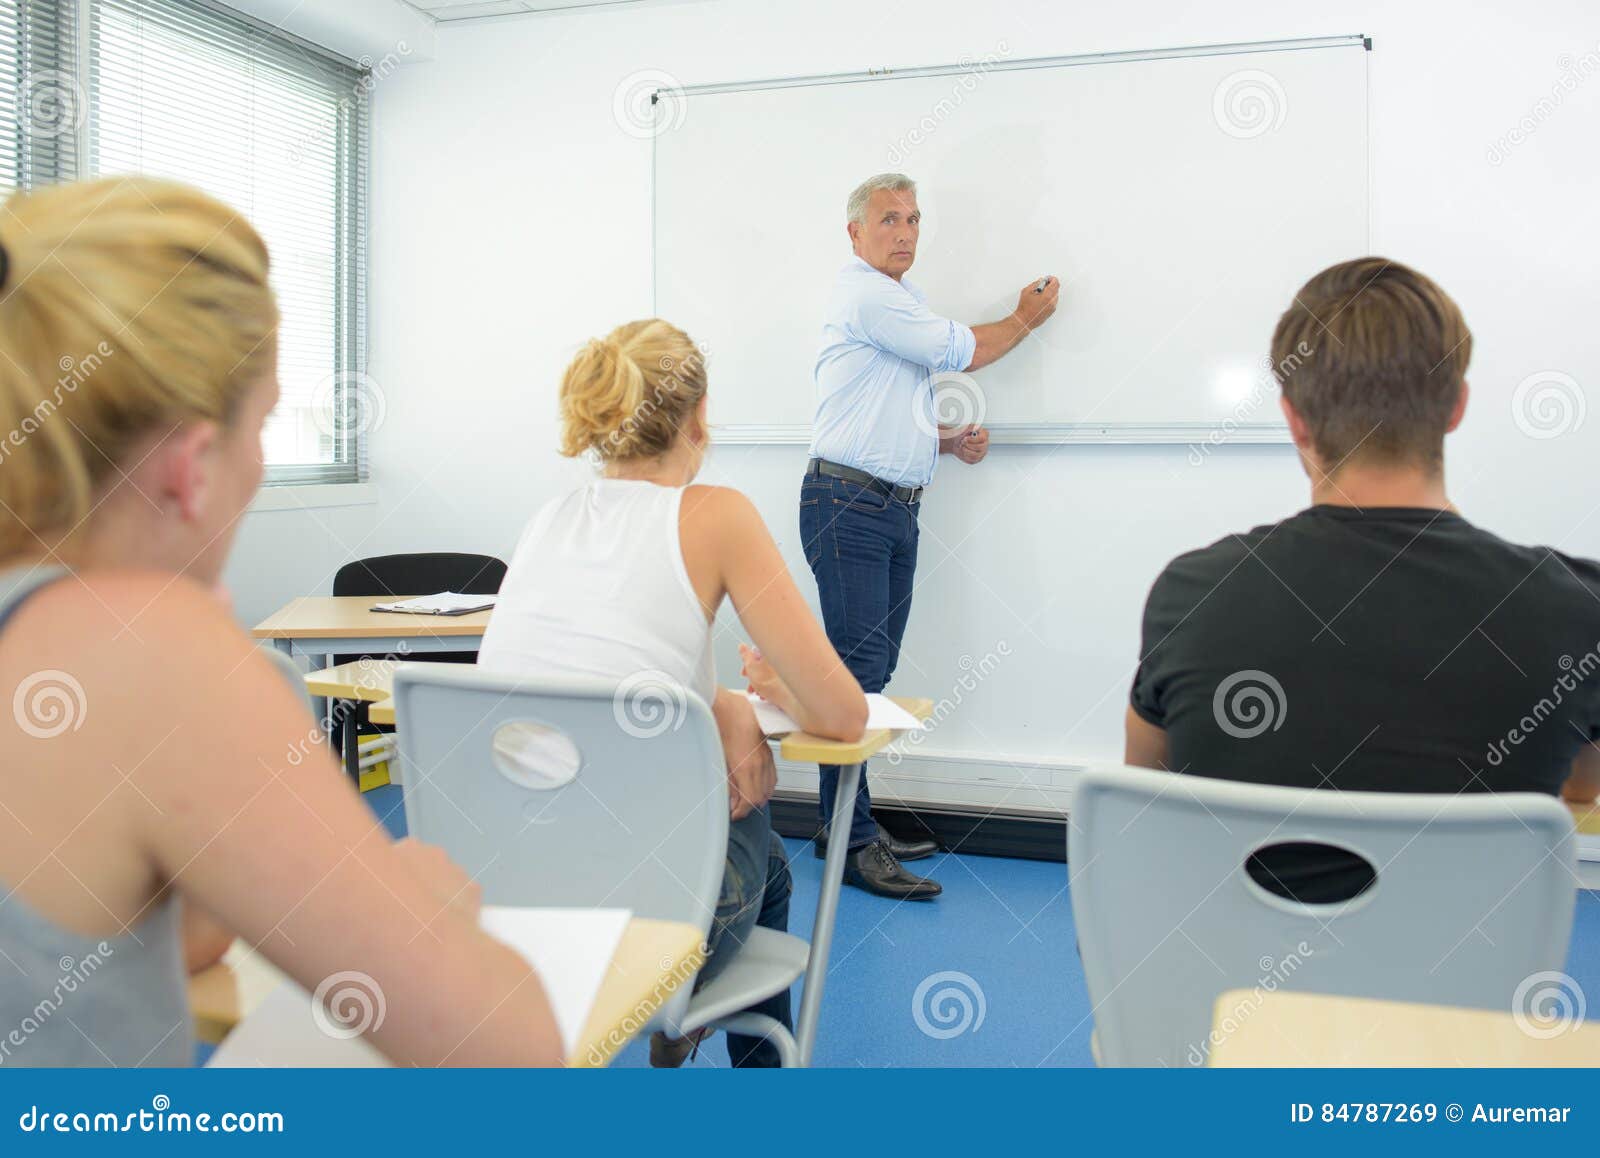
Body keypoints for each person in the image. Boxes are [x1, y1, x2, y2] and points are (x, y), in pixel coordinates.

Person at [0, 176, 562, 1067]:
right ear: (190, 465)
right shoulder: (151, 655)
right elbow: (513, 1052)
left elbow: (160, 940)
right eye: (261, 424)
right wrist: (429, 909)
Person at [1126, 257, 1600, 903]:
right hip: (1464, 999)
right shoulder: (1577, 608)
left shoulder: (1191, 591)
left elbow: (1150, 800)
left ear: (1295, 417)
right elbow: (1579, 793)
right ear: (1456, 407)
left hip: (1229, 998)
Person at [478, 318, 867, 1067]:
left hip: (503, 906)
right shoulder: (717, 514)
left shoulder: (547, 521)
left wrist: (720, 708)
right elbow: (844, 717)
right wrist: (764, 697)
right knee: (768, 855)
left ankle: (679, 1022)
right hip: (647, 925)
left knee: (750, 851)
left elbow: (611, 674)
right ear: (698, 416)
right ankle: (690, 1025)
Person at [803, 172, 1060, 899]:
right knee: (856, 682)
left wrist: (941, 444)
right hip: (847, 507)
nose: (907, 231)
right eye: (889, 219)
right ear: (855, 232)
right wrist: (1025, 319)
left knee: (867, 680)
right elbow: (966, 353)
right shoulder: (867, 294)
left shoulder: (896, 303)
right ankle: (852, 845)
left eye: (914, 218)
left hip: (884, 506)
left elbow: (878, 409)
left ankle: (846, 823)